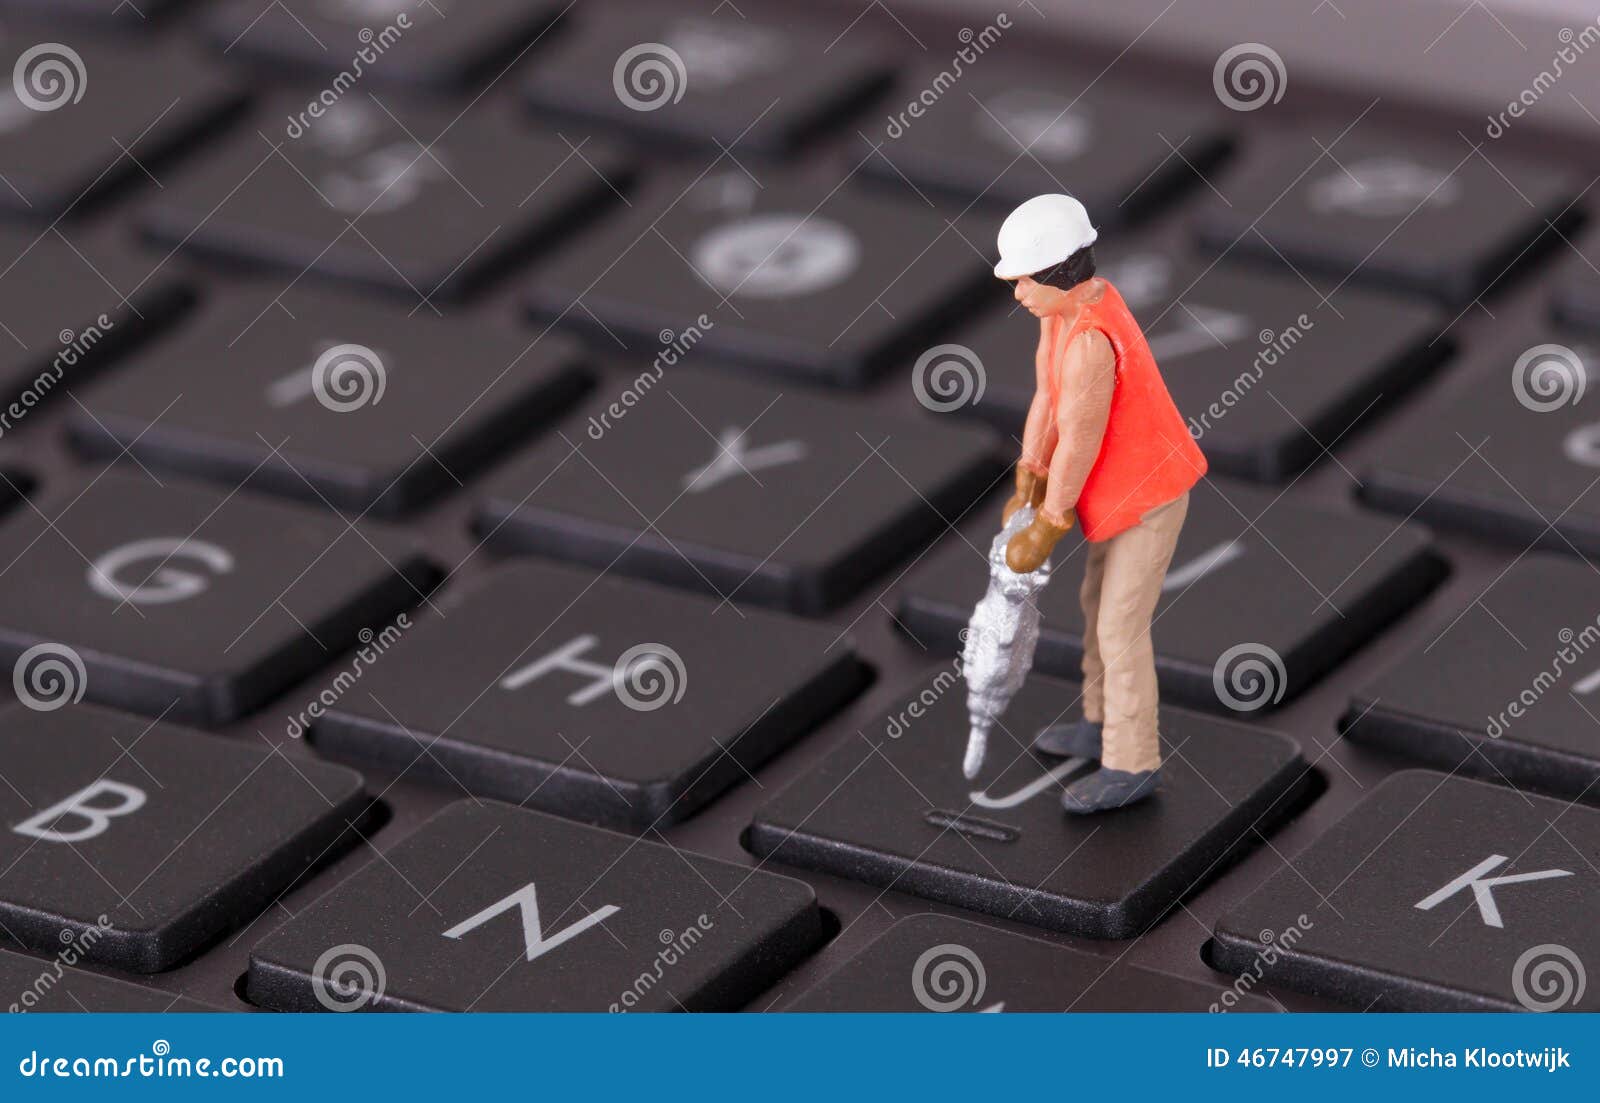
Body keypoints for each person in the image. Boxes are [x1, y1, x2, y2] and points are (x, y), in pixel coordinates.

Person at [992, 194, 1207, 813]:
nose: (1018, 293)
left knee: (1120, 626)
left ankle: (1132, 761)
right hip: (1116, 496)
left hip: (1150, 497)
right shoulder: (1057, 317)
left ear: (1059, 274)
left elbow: (1081, 443)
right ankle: (1098, 723)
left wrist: (1050, 524)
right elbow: (1045, 402)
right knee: (1094, 605)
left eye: (1024, 280)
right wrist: (1027, 477)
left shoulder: (1091, 341)